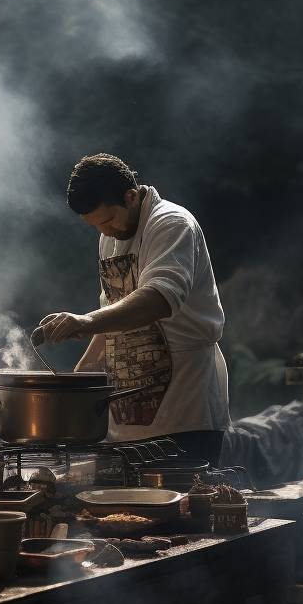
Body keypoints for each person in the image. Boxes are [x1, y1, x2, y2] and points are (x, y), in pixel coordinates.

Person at [36, 154, 229, 464]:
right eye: (96, 225)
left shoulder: (171, 224)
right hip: (126, 407)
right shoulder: (108, 239)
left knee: (180, 503)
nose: (106, 231)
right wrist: (85, 369)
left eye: (109, 220)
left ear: (130, 195)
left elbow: (158, 298)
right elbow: (115, 306)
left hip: (185, 405)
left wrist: (85, 322)